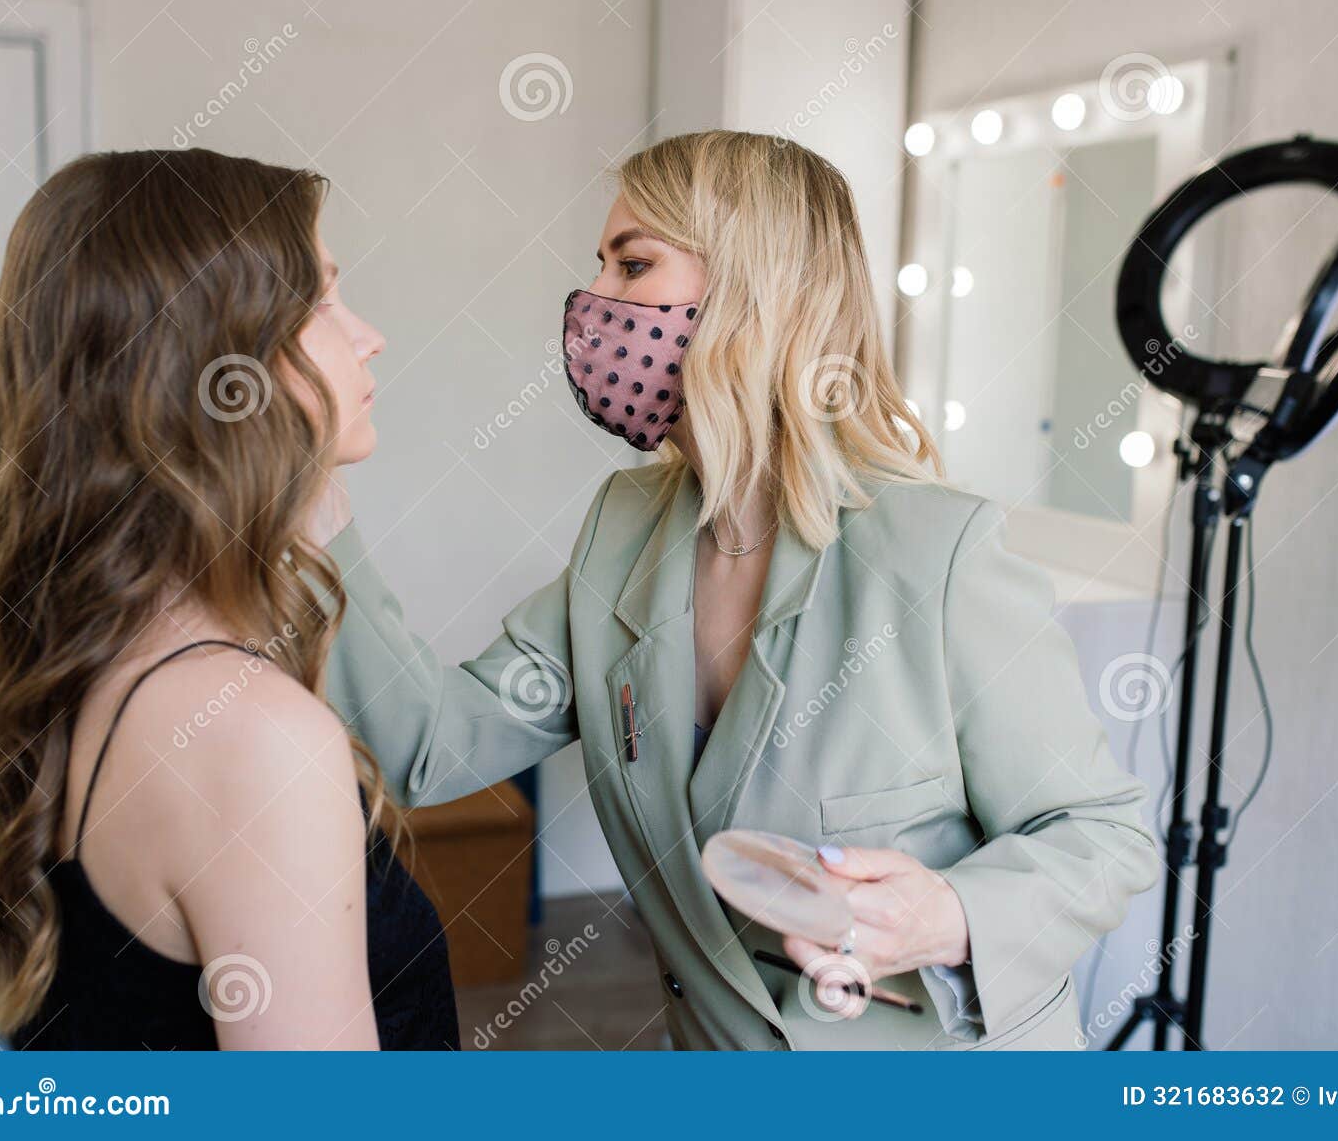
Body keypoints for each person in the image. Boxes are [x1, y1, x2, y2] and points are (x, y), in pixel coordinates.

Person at [319, 129, 1162, 1050]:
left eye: (631, 264)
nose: (591, 304)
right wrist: (312, 505)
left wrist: (946, 915)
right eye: (599, 266)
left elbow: (1101, 835)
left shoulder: (936, 550)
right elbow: (426, 745)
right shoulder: (623, 528)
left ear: (752, 291)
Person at [0, 148, 458, 1050]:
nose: (368, 335)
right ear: (220, 364)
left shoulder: (105, 659)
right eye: (322, 303)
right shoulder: (252, 740)